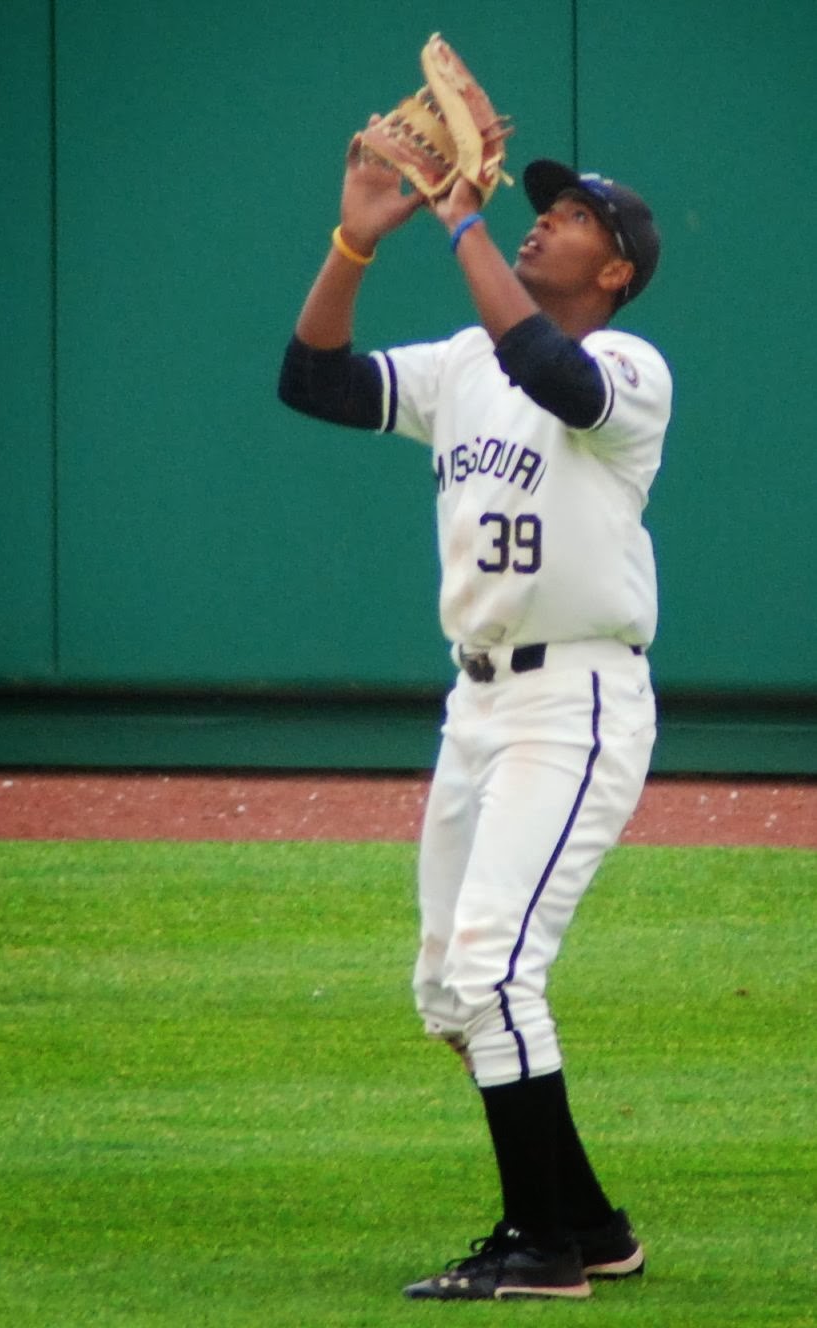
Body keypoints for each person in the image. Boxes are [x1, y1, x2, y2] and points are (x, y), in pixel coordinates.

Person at [278, 125, 672, 1301]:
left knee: (498, 970)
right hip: (480, 704)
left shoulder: (633, 369)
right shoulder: (459, 364)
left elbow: (552, 371)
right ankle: (590, 1223)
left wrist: (461, 219)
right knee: (452, 988)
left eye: (575, 218)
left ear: (614, 272)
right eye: (538, 207)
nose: (543, 216)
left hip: (577, 698)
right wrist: (357, 232)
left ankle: (535, 1245)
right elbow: (315, 379)